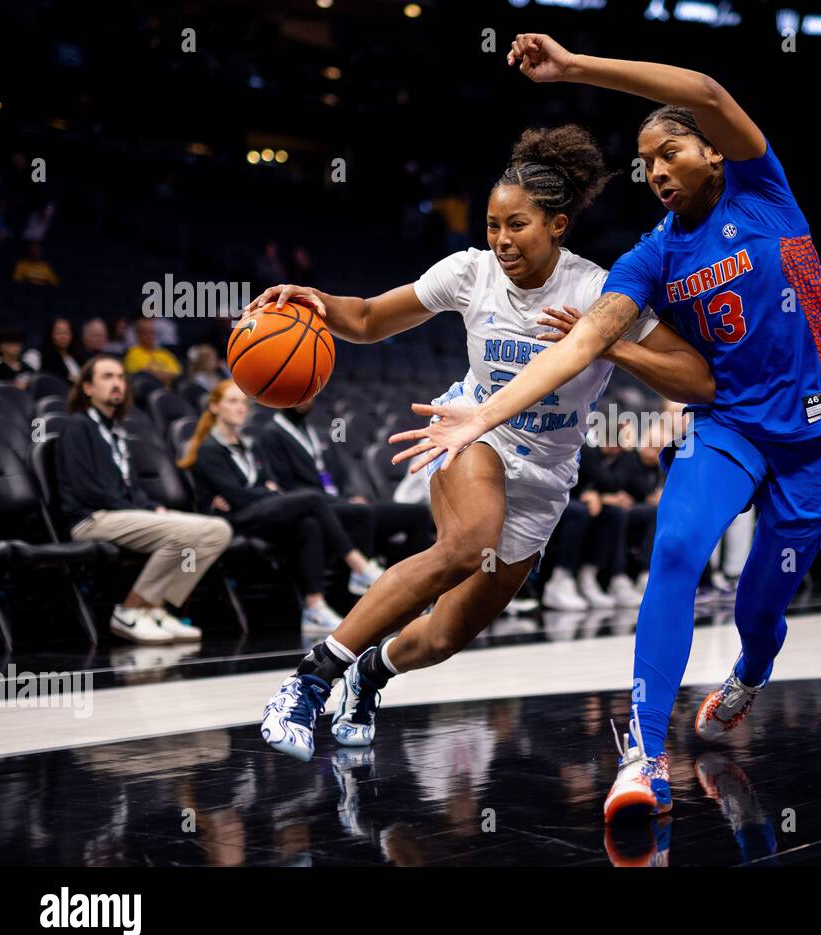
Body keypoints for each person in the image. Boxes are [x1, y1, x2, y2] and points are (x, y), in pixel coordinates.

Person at [401, 35, 821, 820]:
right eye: (644, 162)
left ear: (713, 154)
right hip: (728, 424)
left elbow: (711, 90)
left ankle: (749, 673)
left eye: (670, 151)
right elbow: (583, 339)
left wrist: (578, 68)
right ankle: (644, 756)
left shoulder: (763, 191)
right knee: (678, 548)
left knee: (760, 608)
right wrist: (484, 412)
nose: (654, 170)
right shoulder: (650, 257)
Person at [247, 123, 714, 763]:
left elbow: (698, 378)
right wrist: (317, 301)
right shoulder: (469, 273)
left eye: (516, 226)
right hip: (472, 426)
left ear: (557, 225)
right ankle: (307, 681)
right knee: (468, 543)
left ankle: (371, 674)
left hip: (547, 474)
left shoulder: (601, 292)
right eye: (492, 225)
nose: (500, 241)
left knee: (443, 635)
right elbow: (365, 318)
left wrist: (611, 342)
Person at [178, 381, 386, 638]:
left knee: (308, 523)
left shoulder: (248, 444)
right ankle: (359, 566)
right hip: (229, 520)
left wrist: (259, 491)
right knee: (310, 498)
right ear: (214, 407)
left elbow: (258, 487)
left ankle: (313, 607)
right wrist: (263, 490)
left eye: (243, 402)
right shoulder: (209, 449)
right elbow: (239, 496)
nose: (241, 408)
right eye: (233, 401)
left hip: (255, 511)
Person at [58, 356, 232, 643]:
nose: (117, 383)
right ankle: (129, 610)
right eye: (107, 377)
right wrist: (146, 512)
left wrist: (153, 508)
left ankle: (155, 608)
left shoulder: (118, 431)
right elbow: (87, 489)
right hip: (92, 518)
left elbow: (131, 486)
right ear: (87, 388)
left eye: (120, 377)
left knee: (218, 530)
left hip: (124, 514)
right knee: (182, 532)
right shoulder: (77, 426)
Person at [259, 397, 433, 562]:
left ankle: (406, 583)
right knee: (361, 513)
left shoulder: (319, 434)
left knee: (418, 513)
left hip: (341, 502)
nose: (304, 399)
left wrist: (352, 495)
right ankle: (357, 582)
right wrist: (342, 500)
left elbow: (342, 475)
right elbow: (288, 487)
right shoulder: (270, 435)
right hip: (316, 507)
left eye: (308, 393)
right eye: (297, 394)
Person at [124, 317, 183, 387]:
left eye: (152, 333)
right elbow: (141, 375)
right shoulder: (132, 353)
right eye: (145, 333)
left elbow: (177, 374)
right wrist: (166, 375)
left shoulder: (164, 353)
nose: (149, 336)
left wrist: (155, 374)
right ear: (138, 335)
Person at [37, 316, 82, 383]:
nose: (63, 337)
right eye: (58, 333)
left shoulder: (78, 357)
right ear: (50, 334)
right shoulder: (40, 356)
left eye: (66, 333)